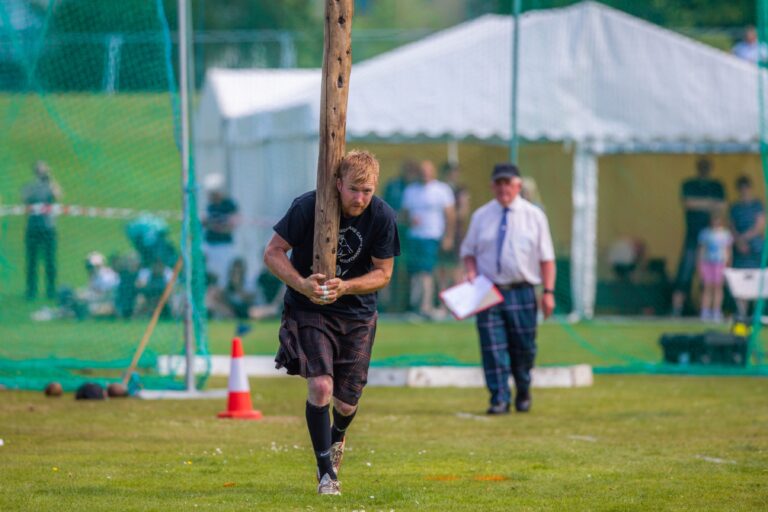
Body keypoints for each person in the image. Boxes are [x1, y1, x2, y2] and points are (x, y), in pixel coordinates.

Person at [263, 150, 399, 496]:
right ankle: (327, 475)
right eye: (354, 189)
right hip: (310, 308)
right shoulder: (308, 207)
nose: (360, 198)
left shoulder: (382, 216)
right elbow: (273, 252)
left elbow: (384, 273)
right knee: (321, 386)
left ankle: (337, 436)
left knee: (346, 403)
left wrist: (347, 286)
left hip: (357, 313)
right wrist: (302, 284)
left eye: (367, 191)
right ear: (337, 184)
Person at [460, 163, 555, 415]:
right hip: (488, 290)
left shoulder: (534, 216)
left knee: (523, 348)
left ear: (518, 185)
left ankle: (523, 388)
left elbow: (547, 258)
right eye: (499, 183)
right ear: (492, 186)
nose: (503, 188)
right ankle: (499, 398)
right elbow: (469, 253)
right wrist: (470, 272)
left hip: (522, 290)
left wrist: (548, 293)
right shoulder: (481, 216)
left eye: (508, 183)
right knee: (492, 347)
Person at [401, 160, 456, 318]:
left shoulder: (442, 190)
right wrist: (409, 221)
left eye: (428, 171)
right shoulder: (410, 190)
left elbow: (450, 216)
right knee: (416, 272)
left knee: (427, 271)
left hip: (433, 237)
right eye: (422, 171)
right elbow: (403, 215)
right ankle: (418, 306)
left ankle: (426, 307)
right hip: (415, 237)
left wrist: (448, 237)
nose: (425, 174)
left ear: (433, 172)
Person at [671, 158, 725, 316]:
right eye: (702, 166)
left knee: (710, 277)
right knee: (685, 272)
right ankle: (677, 309)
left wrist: (699, 203)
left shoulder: (716, 186)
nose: (704, 169)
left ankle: (709, 310)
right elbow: (687, 203)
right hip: (693, 236)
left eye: (707, 166)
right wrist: (710, 203)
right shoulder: (689, 184)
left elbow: (722, 205)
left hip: (711, 240)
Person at [21, 160, 62, 300]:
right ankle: (31, 290)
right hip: (32, 228)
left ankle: (51, 290)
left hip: (48, 228)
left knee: (50, 261)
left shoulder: (51, 186)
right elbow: (25, 198)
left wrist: (50, 180)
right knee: (32, 261)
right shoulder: (30, 186)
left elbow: (57, 195)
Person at [730, 175, 766, 317]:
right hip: (740, 251)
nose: (744, 190)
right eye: (741, 188)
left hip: (755, 249)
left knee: (757, 282)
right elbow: (731, 227)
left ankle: (757, 314)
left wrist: (745, 237)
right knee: (741, 283)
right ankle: (742, 314)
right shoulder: (735, 208)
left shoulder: (757, 205)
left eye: (746, 187)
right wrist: (739, 241)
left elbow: (760, 225)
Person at [202, 175, 239, 288]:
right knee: (208, 272)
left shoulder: (229, 205)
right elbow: (204, 224)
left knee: (223, 275)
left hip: (224, 246)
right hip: (209, 244)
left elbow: (230, 227)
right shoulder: (209, 207)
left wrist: (213, 226)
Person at [697, 211, 732, 322]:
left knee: (718, 288)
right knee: (707, 287)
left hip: (720, 263)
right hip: (708, 263)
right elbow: (701, 250)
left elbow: (728, 251)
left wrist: (728, 265)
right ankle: (705, 311)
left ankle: (716, 311)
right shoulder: (705, 233)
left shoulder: (725, 234)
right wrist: (700, 265)